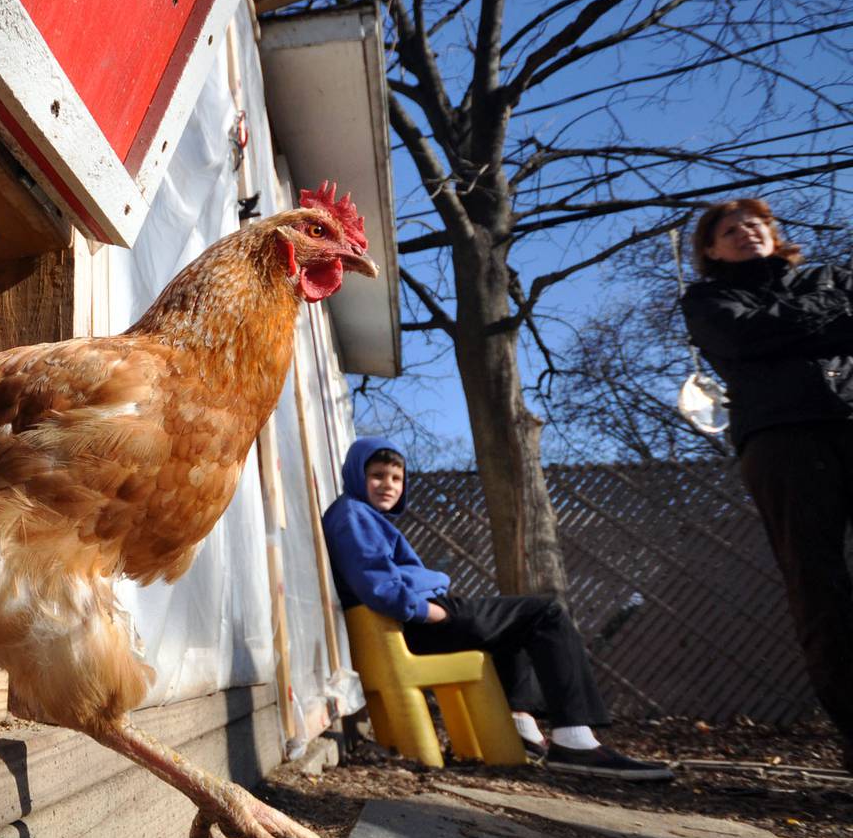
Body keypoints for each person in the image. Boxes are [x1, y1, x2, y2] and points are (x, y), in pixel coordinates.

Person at [322, 436, 673, 780]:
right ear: (356, 475)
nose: (389, 484)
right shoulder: (353, 514)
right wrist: (428, 612)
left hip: (413, 620)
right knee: (545, 613)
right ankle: (573, 738)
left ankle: (520, 725)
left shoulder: (364, 516)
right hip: (418, 622)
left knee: (514, 625)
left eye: (396, 478)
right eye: (378, 475)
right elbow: (377, 583)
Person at [680, 196, 853, 772]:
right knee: (820, 587)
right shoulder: (706, 299)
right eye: (728, 229)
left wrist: (787, 326)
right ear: (710, 249)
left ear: (774, 233)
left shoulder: (827, 276)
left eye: (755, 223)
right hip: (782, 441)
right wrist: (830, 315)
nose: (745, 232)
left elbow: (766, 334)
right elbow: (739, 338)